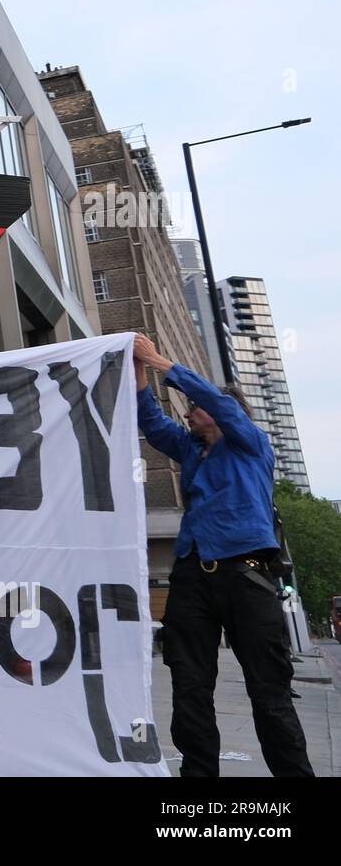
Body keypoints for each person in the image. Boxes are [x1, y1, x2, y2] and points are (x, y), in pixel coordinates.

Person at [133, 332, 313, 777]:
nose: (189, 413)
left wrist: (159, 361)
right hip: (193, 576)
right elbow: (154, 425)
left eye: (195, 408)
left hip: (246, 576)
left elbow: (219, 401)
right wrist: (139, 376)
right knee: (189, 686)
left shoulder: (249, 443)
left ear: (216, 412)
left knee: (268, 691)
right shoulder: (192, 449)